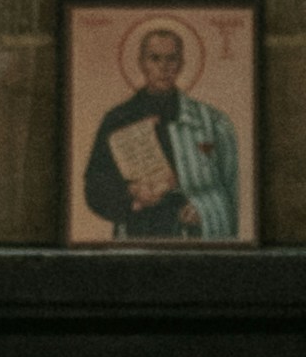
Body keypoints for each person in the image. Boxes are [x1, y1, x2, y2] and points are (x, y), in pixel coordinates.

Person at [83, 22, 243, 240]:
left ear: (181, 64)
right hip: (138, 235)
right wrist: (132, 194)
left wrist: (205, 209)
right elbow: (95, 187)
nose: (164, 67)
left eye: (172, 59)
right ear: (142, 63)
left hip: (193, 237)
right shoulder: (118, 120)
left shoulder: (212, 122)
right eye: (155, 58)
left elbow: (231, 189)